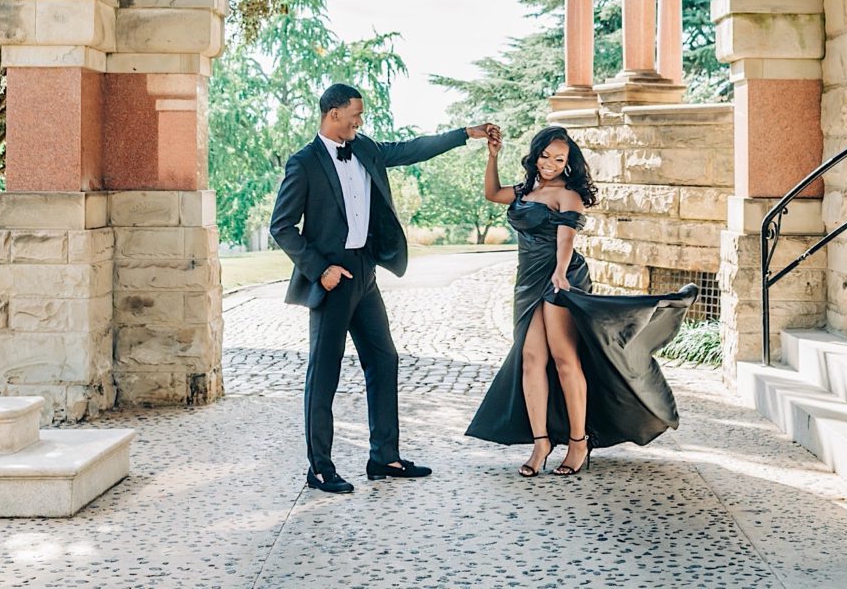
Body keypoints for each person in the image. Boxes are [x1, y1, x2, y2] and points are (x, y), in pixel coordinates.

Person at [270, 81, 499, 495]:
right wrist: (320, 270)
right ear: (333, 113)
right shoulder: (303, 163)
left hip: (366, 271)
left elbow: (412, 149)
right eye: (355, 114)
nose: (360, 121)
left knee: (384, 360)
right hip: (332, 277)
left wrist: (466, 134)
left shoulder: (366, 149)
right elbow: (282, 226)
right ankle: (320, 469)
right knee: (325, 372)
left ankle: (384, 457)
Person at [466, 125, 698, 477]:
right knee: (531, 360)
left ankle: (578, 441)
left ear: (568, 162)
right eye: (545, 156)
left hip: (562, 277)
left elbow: (566, 240)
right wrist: (492, 156)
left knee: (564, 360)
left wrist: (560, 274)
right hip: (528, 281)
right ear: (535, 155)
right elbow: (492, 193)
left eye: (560, 159)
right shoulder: (525, 190)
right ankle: (541, 442)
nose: (551, 164)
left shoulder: (568, 194)